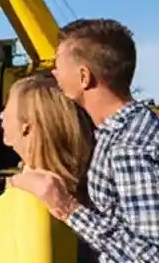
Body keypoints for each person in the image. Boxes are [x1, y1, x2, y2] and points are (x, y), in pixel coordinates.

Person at [11, 18, 159, 262]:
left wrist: (67, 207)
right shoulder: (119, 132)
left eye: (58, 65)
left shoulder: (129, 148)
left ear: (83, 77)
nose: (54, 73)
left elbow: (151, 256)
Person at [0, 74, 95, 263]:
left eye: (7, 108)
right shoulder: (74, 191)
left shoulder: (36, 200)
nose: (1, 115)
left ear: (26, 125)